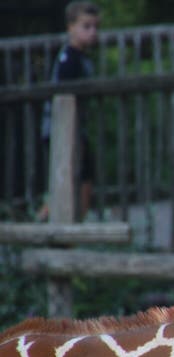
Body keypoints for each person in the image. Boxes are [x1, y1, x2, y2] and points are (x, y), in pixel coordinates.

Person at [40, 1, 100, 220]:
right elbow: (64, 97)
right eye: (86, 26)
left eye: (95, 27)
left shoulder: (81, 59)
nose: (92, 32)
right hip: (62, 129)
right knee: (69, 179)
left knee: (81, 176)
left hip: (75, 129)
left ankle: (69, 222)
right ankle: (59, 224)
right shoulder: (69, 60)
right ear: (70, 28)